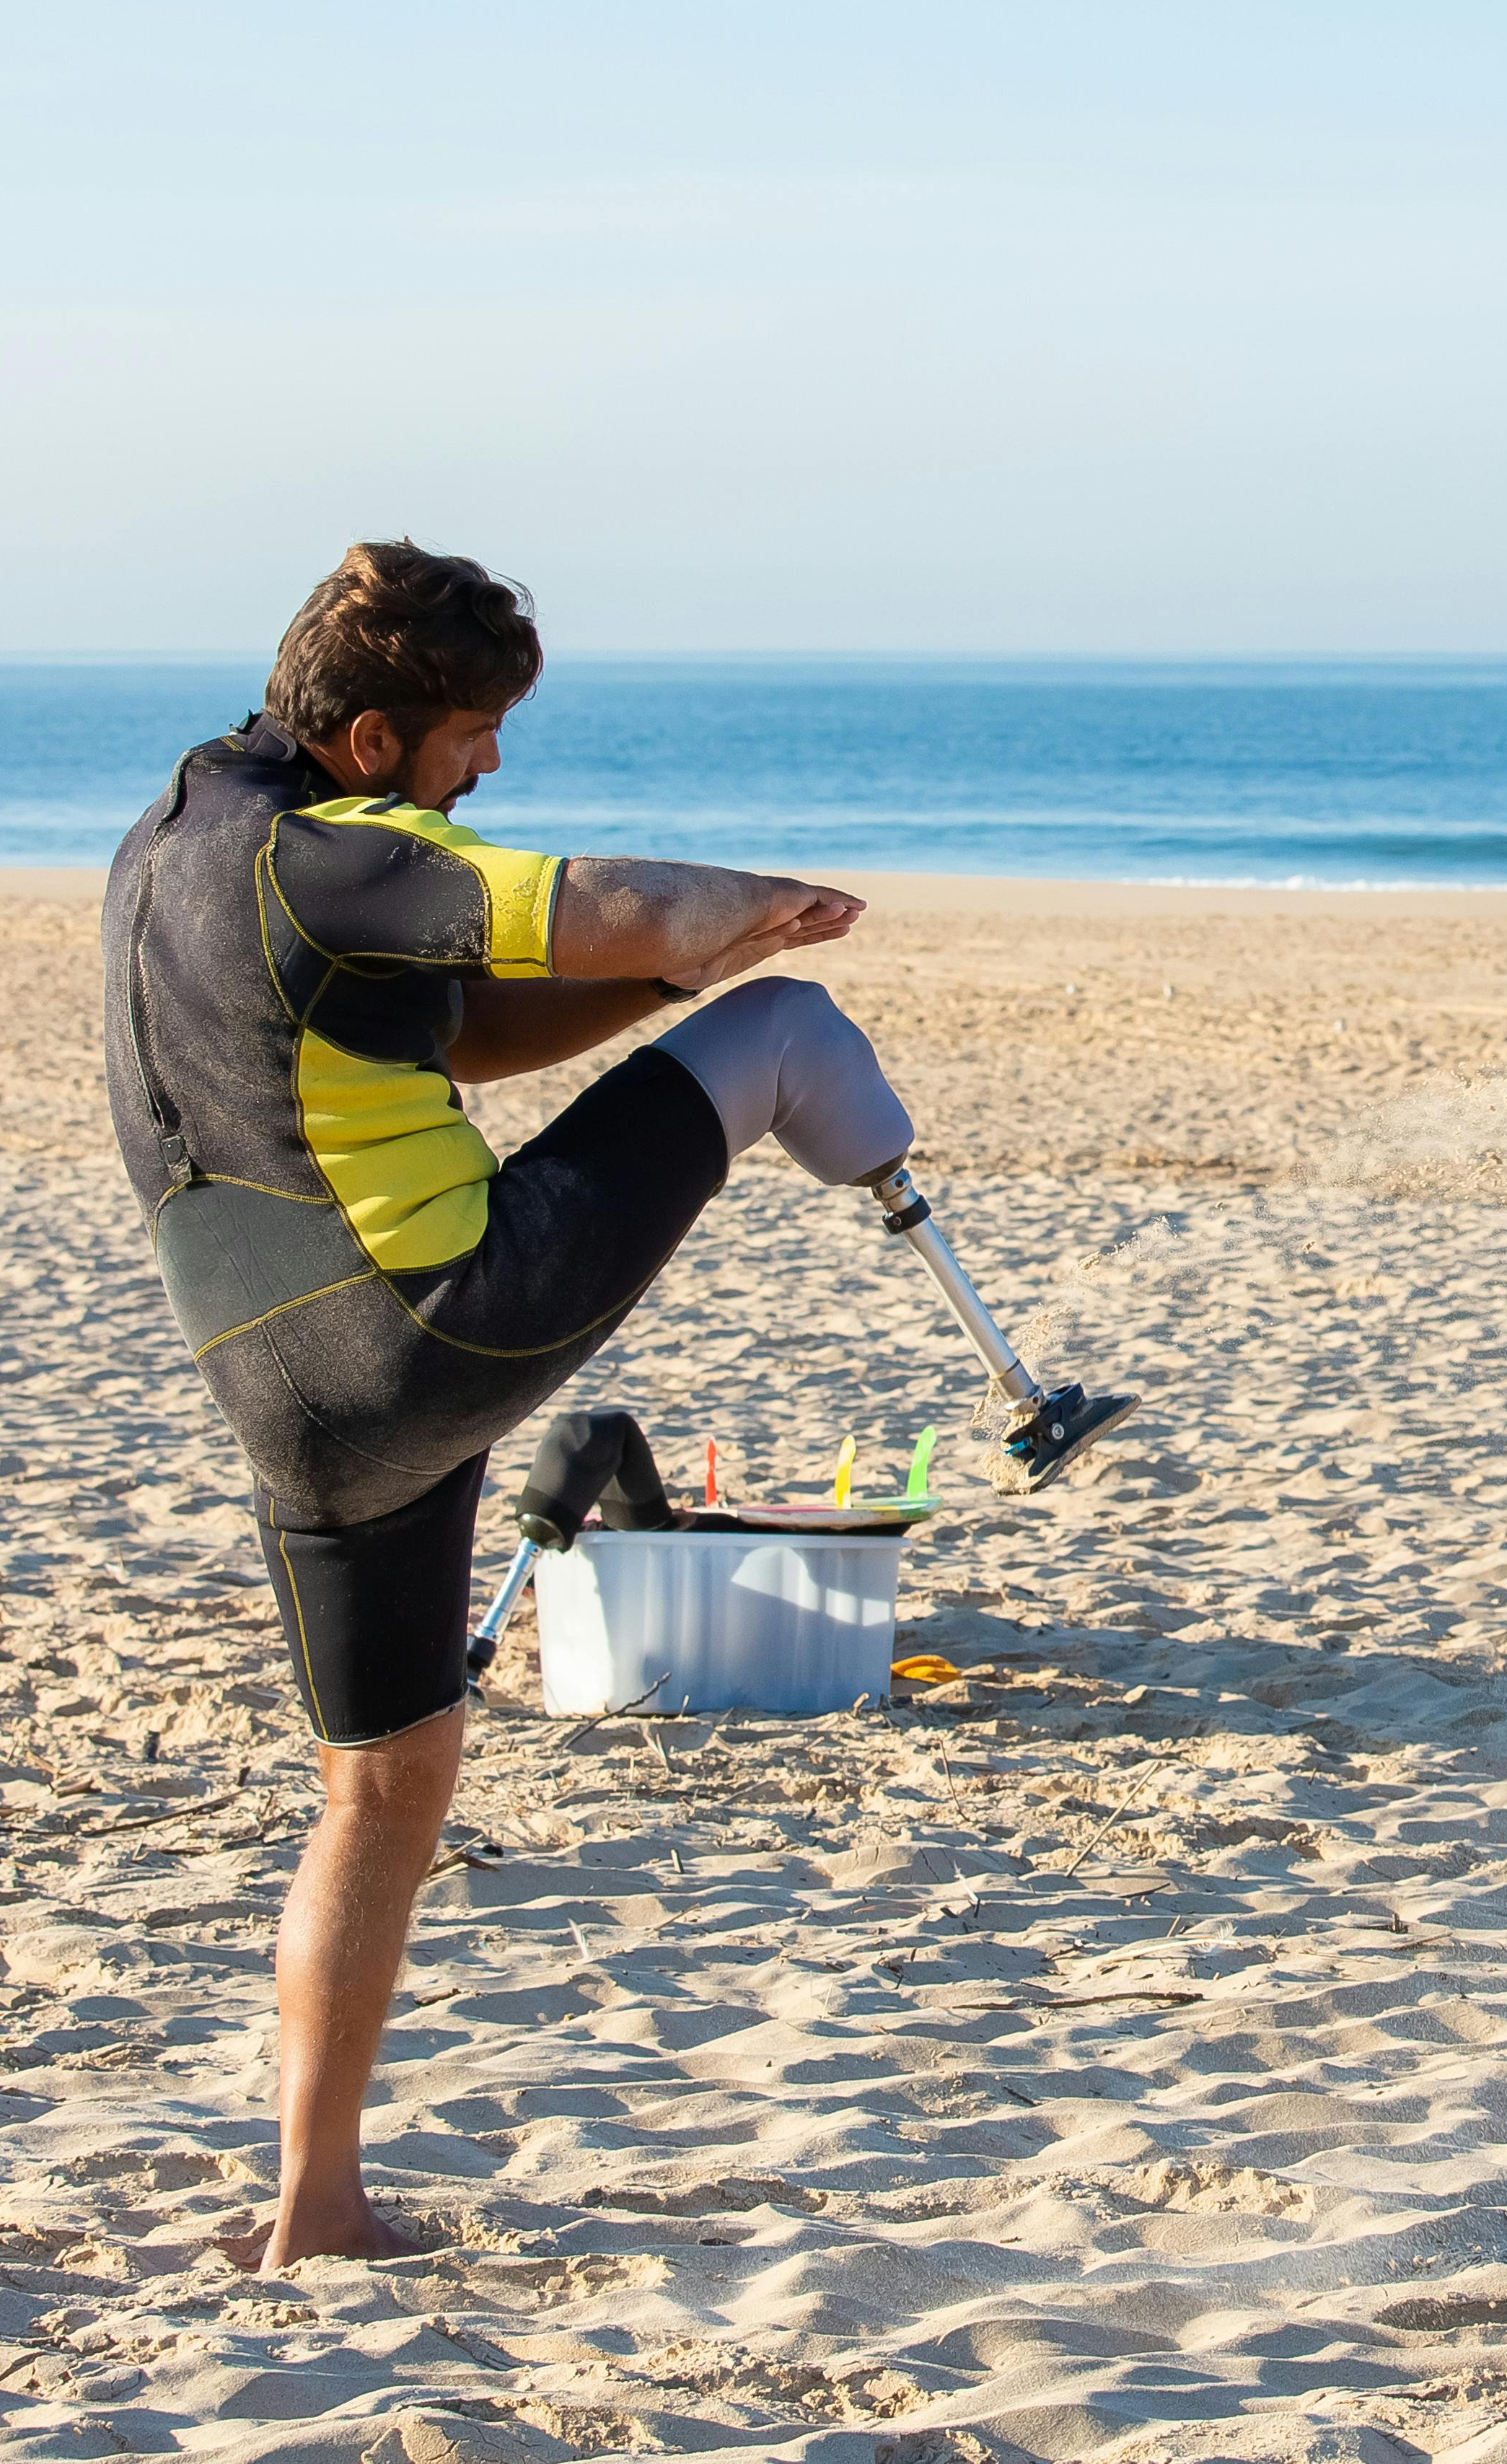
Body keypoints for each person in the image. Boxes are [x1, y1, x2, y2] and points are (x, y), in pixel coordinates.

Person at [101, 539, 924, 2267]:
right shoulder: (340, 856)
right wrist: (750, 915)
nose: (489, 768)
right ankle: (915, 1207)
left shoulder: (180, 848)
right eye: (473, 735)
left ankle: (313, 2204)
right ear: (378, 733)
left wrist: (658, 979)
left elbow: (454, 1037)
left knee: (382, 1788)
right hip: (441, 1322)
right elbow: (616, 900)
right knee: (785, 1024)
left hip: (297, 1405)